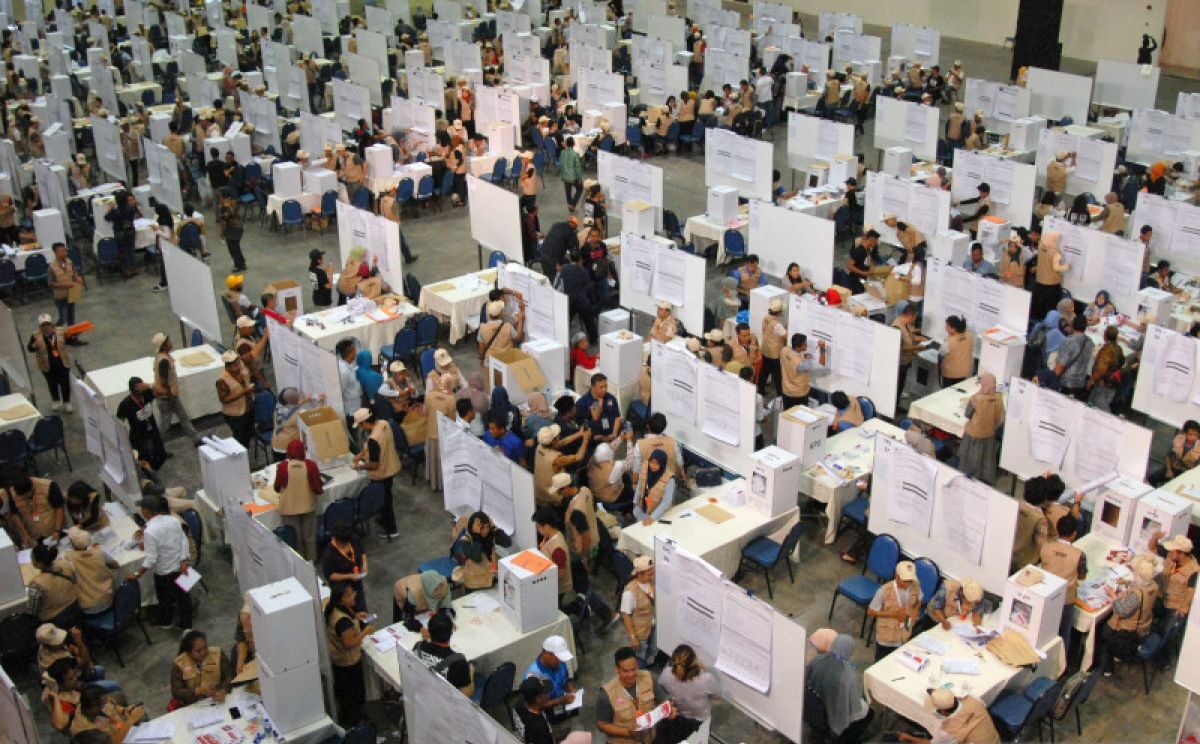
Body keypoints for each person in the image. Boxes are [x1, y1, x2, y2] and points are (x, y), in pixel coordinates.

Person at [128, 495, 191, 629]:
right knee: (184, 596)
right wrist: (183, 560)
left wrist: (136, 574)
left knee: (164, 599)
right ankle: (187, 623)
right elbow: (183, 540)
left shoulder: (150, 532)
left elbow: (151, 559)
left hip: (164, 572)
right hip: (181, 566)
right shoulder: (173, 520)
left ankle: (165, 622)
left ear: (146, 511)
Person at [596, 646, 674, 743]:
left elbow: (663, 699)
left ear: (637, 665)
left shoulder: (649, 678)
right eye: (626, 671)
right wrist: (627, 732)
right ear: (617, 669)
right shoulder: (606, 694)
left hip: (648, 738)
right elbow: (602, 725)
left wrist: (669, 709)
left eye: (634, 669)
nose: (631, 674)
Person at [1096, 555, 1158, 676]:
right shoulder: (1153, 585)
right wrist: (1126, 582)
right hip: (1144, 628)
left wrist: (1113, 595)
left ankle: (1106, 667)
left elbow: (1121, 611)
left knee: (1101, 629)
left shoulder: (1136, 595)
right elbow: (1140, 585)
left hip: (1129, 636)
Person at [805, 632, 873, 743]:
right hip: (833, 715)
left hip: (815, 707)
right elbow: (854, 706)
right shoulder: (847, 675)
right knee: (867, 711)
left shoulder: (817, 660)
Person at [325, 581, 374, 725]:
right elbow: (349, 642)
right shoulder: (343, 622)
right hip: (348, 665)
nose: (354, 596)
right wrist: (365, 632)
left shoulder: (335, 609)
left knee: (346, 698)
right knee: (353, 699)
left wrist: (356, 617)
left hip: (338, 662)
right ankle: (355, 725)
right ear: (342, 599)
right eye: (350, 595)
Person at [351, 407, 402, 539]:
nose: (361, 428)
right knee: (387, 497)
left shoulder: (373, 439)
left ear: (365, 422)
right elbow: (376, 448)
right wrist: (361, 454)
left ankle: (391, 529)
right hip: (391, 466)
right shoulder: (383, 424)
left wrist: (360, 466)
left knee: (384, 502)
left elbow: (374, 464)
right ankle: (386, 522)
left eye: (360, 425)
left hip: (381, 474)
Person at [1039, 514, 1087, 648]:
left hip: (1046, 594)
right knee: (1063, 635)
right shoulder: (1079, 555)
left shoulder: (1046, 547)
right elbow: (1082, 576)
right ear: (1074, 534)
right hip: (1066, 599)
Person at [272, 439, 322, 561]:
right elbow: (317, 488)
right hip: (307, 507)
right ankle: (311, 561)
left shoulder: (282, 467)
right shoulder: (311, 466)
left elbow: (277, 487)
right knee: (309, 537)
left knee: (296, 539)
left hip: (289, 509)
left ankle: (299, 564)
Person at [896, 688, 1002, 744]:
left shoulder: (948, 732)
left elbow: (929, 743)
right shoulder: (973, 699)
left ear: (943, 712)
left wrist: (908, 737)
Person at [150, 334, 201, 446]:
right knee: (165, 425)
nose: (171, 342)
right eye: (168, 341)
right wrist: (170, 395)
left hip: (171, 395)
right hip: (167, 397)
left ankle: (196, 438)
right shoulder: (164, 360)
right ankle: (156, 446)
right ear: (163, 346)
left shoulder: (161, 356)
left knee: (183, 417)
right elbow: (164, 381)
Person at [867, 560, 922, 661]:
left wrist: (915, 612)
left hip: (904, 632)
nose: (908, 584)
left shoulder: (915, 586)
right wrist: (894, 615)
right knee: (881, 661)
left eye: (910, 580)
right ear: (897, 576)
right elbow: (871, 611)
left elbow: (919, 600)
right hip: (887, 635)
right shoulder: (884, 591)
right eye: (905, 580)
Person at [1149, 531, 1198, 643]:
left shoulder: (1194, 571)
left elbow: (1191, 591)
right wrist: (1155, 537)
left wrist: (1185, 606)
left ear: (1181, 553)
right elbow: (1152, 548)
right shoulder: (1172, 556)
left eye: (1172, 551)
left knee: (1167, 633)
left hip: (1175, 606)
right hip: (1161, 597)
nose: (1169, 553)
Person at [659, 644, 719, 736]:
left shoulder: (666, 674)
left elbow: (662, 687)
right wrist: (704, 670)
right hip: (699, 721)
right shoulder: (706, 679)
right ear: (694, 662)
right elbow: (716, 696)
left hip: (677, 716)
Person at [514, 676, 594, 744]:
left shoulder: (519, 705)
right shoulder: (539, 729)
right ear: (538, 699)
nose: (548, 695)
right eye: (545, 693)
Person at [958, 373, 1005, 484]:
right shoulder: (999, 398)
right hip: (989, 436)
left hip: (973, 436)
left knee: (970, 463)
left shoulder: (975, 399)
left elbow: (967, 414)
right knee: (985, 462)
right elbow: (1001, 419)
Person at [170, 630, 233, 708]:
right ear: (188, 653)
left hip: (217, 700)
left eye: (205, 647)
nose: (203, 652)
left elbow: (229, 675)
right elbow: (177, 692)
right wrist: (198, 691)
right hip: (192, 705)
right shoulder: (179, 664)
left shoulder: (217, 654)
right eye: (198, 651)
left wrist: (223, 691)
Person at [451, 511, 512, 591]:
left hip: (490, 579)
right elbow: (476, 557)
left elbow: (507, 543)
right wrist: (476, 536)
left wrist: (494, 528)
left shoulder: (489, 536)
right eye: (482, 528)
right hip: (474, 584)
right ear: (474, 527)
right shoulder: (466, 540)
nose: (485, 530)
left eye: (487, 527)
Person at [117, 377, 168, 470]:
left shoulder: (147, 394)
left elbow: (163, 392)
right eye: (138, 389)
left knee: (161, 455)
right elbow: (119, 421)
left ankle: (153, 470)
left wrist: (149, 386)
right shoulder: (125, 404)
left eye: (142, 387)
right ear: (132, 390)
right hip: (139, 437)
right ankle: (149, 472)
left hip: (153, 431)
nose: (141, 391)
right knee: (145, 460)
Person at [524, 634, 578, 722]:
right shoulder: (533, 676)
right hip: (550, 714)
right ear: (547, 654)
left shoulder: (559, 662)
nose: (560, 661)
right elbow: (536, 705)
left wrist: (571, 688)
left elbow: (566, 678)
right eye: (558, 658)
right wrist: (560, 701)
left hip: (567, 703)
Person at [62, 528, 115, 618]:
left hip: (88, 608)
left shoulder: (68, 558)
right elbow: (115, 564)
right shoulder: (99, 553)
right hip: (108, 600)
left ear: (72, 543)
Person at [26, 542, 81, 628]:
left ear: (39, 563)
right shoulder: (66, 564)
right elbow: (75, 581)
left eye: (32, 558)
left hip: (55, 621)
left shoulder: (36, 584)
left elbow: (32, 611)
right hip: (76, 609)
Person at [5, 473, 65, 547]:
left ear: (31, 488)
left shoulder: (48, 486)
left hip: (54, 531)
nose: (25, 498)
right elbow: (15, 513)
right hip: (35, 535)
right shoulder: (12, 493)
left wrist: (57, 530)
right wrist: (24, 533)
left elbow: (59, 508)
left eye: (27, 496)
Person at [28, 314, 72, 412]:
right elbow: (30, 348)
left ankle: (67, 402)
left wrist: (71, 337)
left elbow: (69, 341)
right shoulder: (35, 336)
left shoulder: (60, 332)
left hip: (62, 362)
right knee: (52, 384)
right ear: (40, 327)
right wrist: (34, 345)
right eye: (43, 325)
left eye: (48, 324)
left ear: (52, 324)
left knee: (65, 384)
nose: (46, 327)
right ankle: (56, 400)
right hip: (47, 364)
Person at [70, 685, 144, 741]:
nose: (107, 703)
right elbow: (113, 742)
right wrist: (130, 721)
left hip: (116, 728)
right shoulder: (88, 732)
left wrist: (124, 710)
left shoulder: (91, 704)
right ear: (93, 709)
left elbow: (112, 707)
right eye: (104, 703)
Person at [620, 556, 657, 667]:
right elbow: (626, 615)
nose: (652, 577)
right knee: (641, 654)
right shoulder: (630, 592)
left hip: (652, 624)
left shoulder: (650, 583)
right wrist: (633, 637)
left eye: (653, 573)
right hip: (640, 631)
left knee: (653, 647)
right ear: (639, 574)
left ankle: (649, 663)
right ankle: (641, 669)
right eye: (649, 574)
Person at [216, 350, 255, 447]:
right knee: (240, 438)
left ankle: (245, 450)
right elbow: (224, 400)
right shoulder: (222, 380)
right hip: (235, 415)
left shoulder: (241, 370)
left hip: (247, 409)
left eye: (239, 363)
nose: (239, 366)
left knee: (248, 435)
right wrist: (243, 392)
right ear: (228, 367)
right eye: (236, 365)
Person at [779, 333, 826, 409]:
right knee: (799, 414)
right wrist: (822, 349)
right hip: (798, 394)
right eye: (805, 344)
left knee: (787, 412)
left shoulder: (784, 350)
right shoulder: (802, 365)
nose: (807, 345)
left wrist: (802, 355)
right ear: (800, 346)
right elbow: (821, 364)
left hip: (786, 391)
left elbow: (792, 356)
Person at [928, 576, 993, 630]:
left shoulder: (976, 594)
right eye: (969, 602)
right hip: (936, 617)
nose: (972, 605)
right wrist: (943, 621)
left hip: (953, 619)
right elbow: (937, 607)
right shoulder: (947, 588)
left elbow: (977, 611)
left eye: (974, 603)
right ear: (962, 594)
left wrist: (977, 627)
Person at [1033, 231, 1071, 319]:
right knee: (1049, 309)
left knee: (1039, 307)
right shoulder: (1055, 253)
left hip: (1039, 282)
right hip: (1051, 285)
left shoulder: (1040, 247)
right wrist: (1067, 266)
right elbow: (1056, 268)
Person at [1054, 315, 1094, 401]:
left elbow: (1059, 367)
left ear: (1073, 325)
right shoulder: (1090, 343)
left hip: (1066, 382)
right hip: (1080, 384)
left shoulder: (1068, 341)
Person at [893, 304, 929, 398]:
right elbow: (901, 348)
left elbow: (909, 335)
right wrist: (917, 347)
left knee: (901, 385)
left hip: (906, 362)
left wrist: (919, 338)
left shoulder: (904, 324)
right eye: (914, 317)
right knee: (896, 388)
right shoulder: (897, 328)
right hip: (899, 364)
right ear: (909, 316)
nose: (914, 319)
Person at [48, 242, 83, 334]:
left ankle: (72, 336)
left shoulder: (69, 262)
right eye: (62, 251)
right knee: (63, 318)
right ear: (56, 252)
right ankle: (52, 333)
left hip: (71, 294)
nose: (65, 253)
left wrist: (77, 278)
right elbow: (50, 283)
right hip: (61, 297)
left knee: (71, 318)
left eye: (65, 250)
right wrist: (64, 285)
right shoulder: (52, 267)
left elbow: (74, 273)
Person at [759, 298, 788, 397]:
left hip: (766, 350)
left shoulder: (766, 318)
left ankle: (761, 390)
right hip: (775, 353)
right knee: (777, 375)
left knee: (764, 372)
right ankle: (780, 394)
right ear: (779, 311)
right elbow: (786, 336)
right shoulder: (777, 325)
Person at [216, 189, 247, 271]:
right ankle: (241, 262)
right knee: (236, 247)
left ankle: (240, 265)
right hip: (239, 227)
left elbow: (224, 223)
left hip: (232, 230)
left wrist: (222, 234)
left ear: (222, 197)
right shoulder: (234, 203)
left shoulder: (224, 208)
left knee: (233, 249)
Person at [940, 316, 974, 386]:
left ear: (954, 328)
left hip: (950, 374)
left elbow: (941, 353)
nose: (945, 329)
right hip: (964, 373)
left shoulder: (948, 342)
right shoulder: (970, 336)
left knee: (947, 391)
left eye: (947, 327)